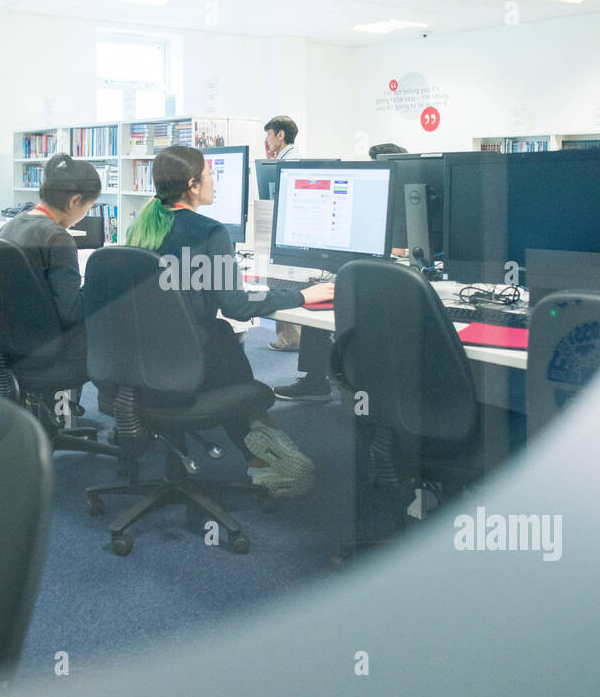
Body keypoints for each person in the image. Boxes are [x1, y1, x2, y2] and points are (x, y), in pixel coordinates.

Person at [126, 145, 334, 496]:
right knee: (223, 337)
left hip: (140, 365)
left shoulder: (142, 225)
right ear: (193, 185)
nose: (214, 181)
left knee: (220, 335)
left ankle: (262, 451)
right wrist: (302, 295)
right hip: (187, 365)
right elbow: (236, 304)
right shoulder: (209, 231)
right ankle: (264, 453)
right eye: (210, 174)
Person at [273, 142, 407, 403]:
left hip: (387, 269)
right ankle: (316, 380)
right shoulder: (367, 196)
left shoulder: (389, 195)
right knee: (319, 294)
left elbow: (404, 248)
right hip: (361, 264)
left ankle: (343, 383)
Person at [0, 153, 102, 395]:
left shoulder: (9, 226)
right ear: (75, 200)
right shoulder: (57, 237)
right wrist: (96, 286)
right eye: (89, 207)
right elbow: (72, 313)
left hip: (6, 344)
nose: (85, 215)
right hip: (48, 349)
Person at [264, 115, 302, 351]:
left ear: (281, 134)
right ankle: (290, 336)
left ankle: (291, 337)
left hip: (290, 228)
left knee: (281, 278)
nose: (267, 140)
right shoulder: (282, 159)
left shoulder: (292, 160)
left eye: (269, 134)